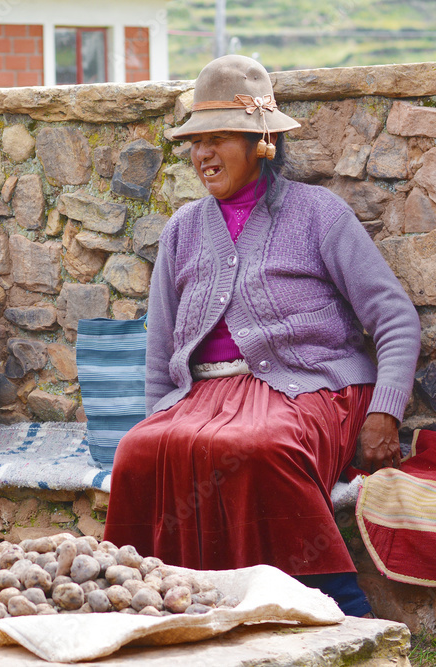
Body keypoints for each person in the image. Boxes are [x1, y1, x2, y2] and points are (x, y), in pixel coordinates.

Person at [102, 55, 421, 616]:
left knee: (257, 446)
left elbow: (394, 317)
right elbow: (161, 351)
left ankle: (333, 599)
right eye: (196, 142)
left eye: (219, 139)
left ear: (263, 141)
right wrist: (161, 418)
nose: (202, 154)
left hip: (310, 389)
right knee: (138, 452)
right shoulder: (182, 230)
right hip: (203, 398)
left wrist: (385, 412)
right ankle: (167, 601)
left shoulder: (319, 215)